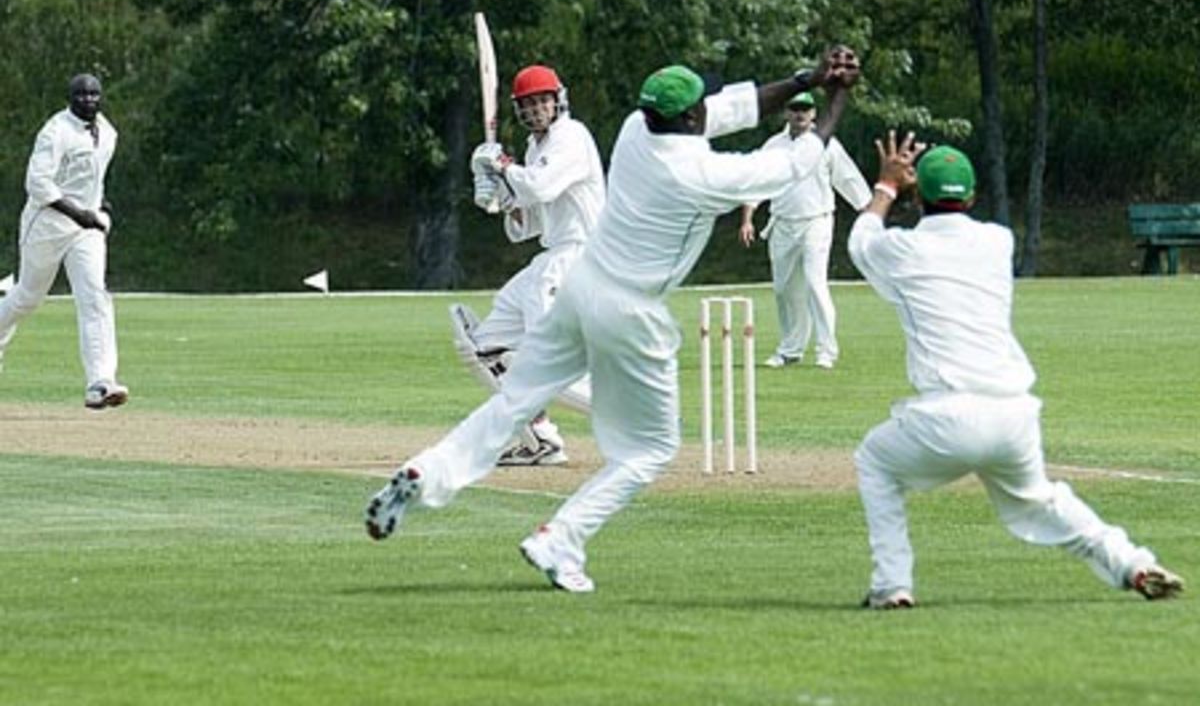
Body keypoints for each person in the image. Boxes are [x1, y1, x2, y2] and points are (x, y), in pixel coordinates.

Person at [366, 47, 861, 592]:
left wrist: (806, 79)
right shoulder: (703, 172)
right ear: (690, 117)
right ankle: (561, 538)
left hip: (582, 285)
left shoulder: (633, 127)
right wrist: (837, 95)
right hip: (631, 310)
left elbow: (734, 108)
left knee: (515, 400)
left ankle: (426, 471)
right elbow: (797, 160)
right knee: (650, 450)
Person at [847, 134, 1184, 609]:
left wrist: (885, 186)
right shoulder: (996, 241)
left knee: (875, 461)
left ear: (918, 196)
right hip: (1013, 414)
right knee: (1040, 499)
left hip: (945, 415)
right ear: (971, 197)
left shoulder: (902, 250)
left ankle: (892, 584)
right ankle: (1131, 562)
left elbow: (861, 241)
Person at [449, 64, 605, 466]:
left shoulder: (572, 136)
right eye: (529, 104)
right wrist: (500, 196)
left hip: (581, 254)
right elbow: (526, 225)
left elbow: (541, 185)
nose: (537, 109)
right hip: (553, 257)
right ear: (519, 110)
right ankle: (539, 438)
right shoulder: (536, 149)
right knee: (483, 346)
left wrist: (501, 166)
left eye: (542, 101)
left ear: (558, 101)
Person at [0, 73, 128, 409]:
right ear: (70, 98)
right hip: (47, 225)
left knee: (94, 295)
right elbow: (38, 184)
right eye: (81, 95)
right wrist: (79, 213)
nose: (88, 100)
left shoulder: (108, 132)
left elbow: (93, 177)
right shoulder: (55, 131)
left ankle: (100, 382)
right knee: (28, 297)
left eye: (94, 94)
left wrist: (98, 205)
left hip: (86, 228)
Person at [738, 91, 870, 369]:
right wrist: (748, 218)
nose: (800, 114)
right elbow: (757, 183)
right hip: (782, 222)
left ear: (813, 113)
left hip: (817, 220)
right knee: (785, 289)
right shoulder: (774, 145)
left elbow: (848, 179)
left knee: (814, 283)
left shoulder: (826, 144)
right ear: (786, 112)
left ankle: (826, 351)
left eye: (805, 109)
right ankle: (790, 349)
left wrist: (869, 213)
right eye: (795, 108)